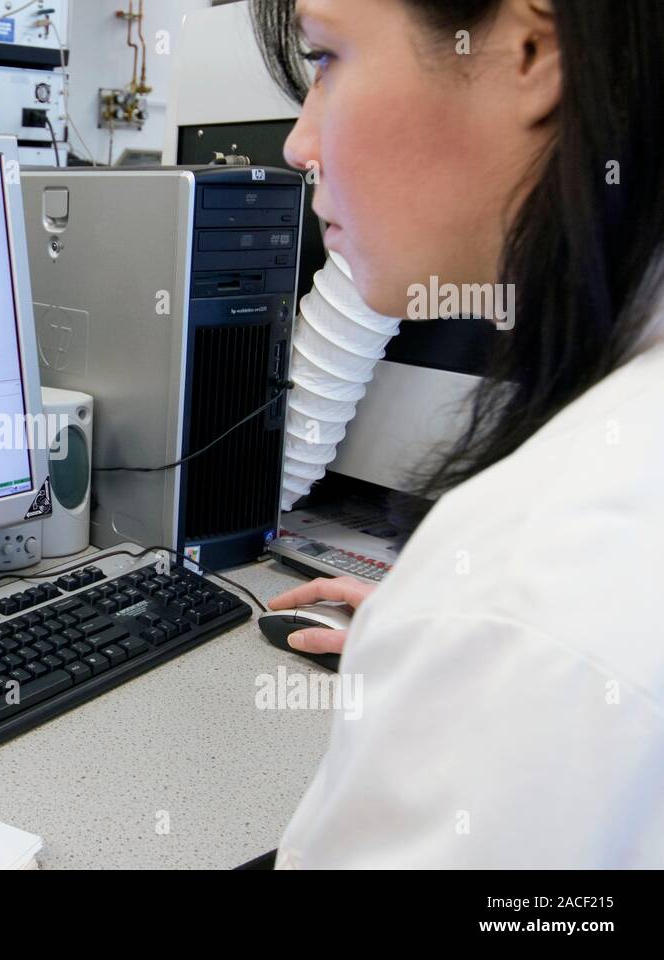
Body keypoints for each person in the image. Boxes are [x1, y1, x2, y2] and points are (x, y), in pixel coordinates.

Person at [252, 0, 664, 866]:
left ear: (528, 50)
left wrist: (469, 638)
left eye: (324, 58)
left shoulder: (527, 589)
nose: (298, 144)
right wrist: (434, 633)